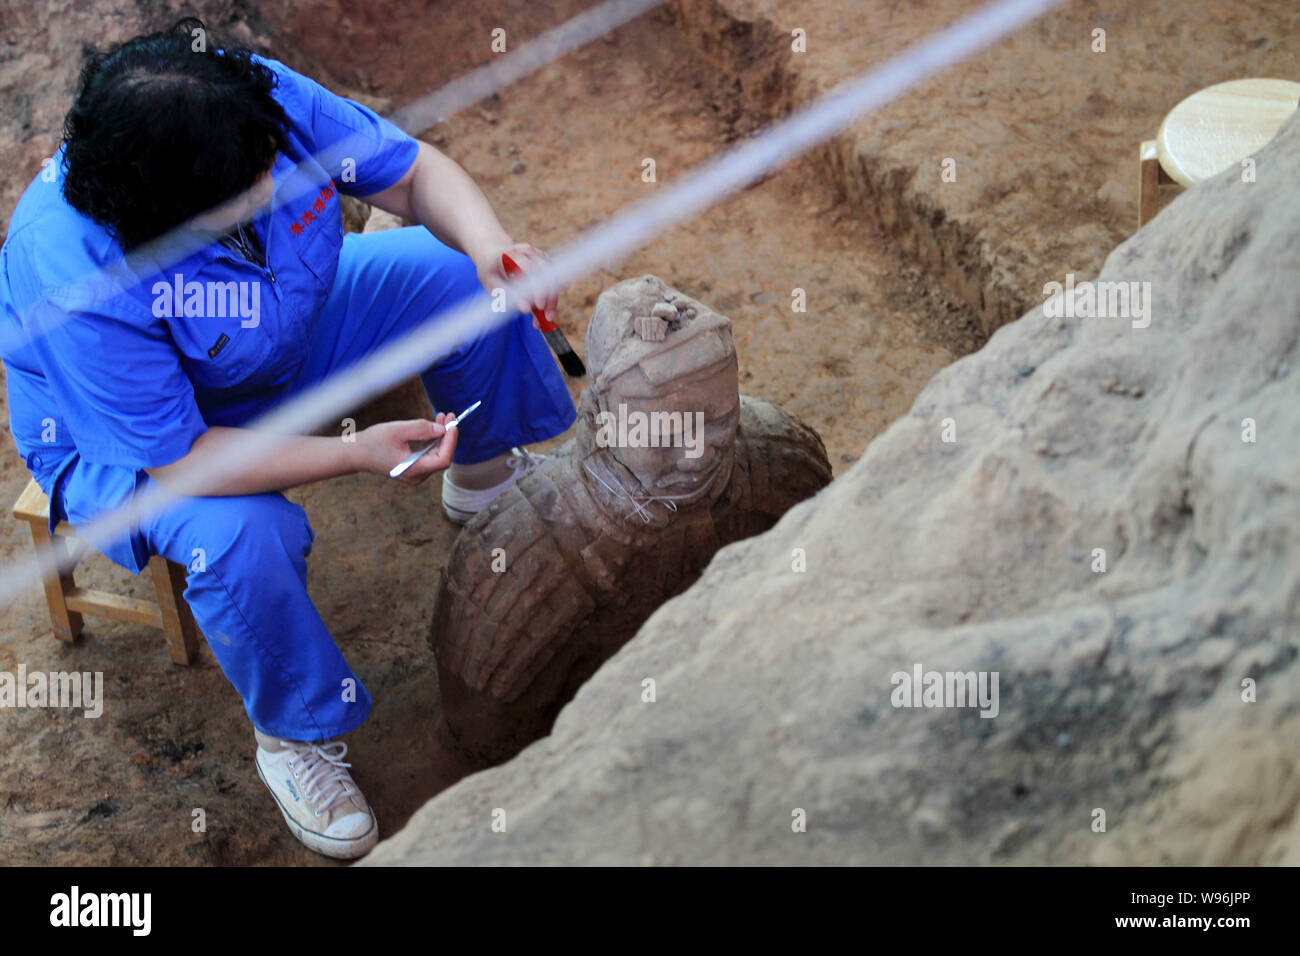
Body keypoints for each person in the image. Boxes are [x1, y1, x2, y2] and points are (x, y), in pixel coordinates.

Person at [0, 19, 576, 859]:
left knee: (456, 279)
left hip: (280, 339)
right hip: (140, 443)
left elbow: (412, 177)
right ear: (172, 220)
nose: (284, 173)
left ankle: (485, 481)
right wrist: (355, 451)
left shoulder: (238, 104)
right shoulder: (76, 273)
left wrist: (490, 250)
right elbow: (184, 460)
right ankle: (294, 737)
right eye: (258, 181)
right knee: (242, 538)